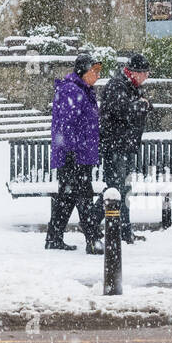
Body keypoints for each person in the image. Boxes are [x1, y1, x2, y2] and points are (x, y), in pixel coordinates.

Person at [46, 53, 105, 253]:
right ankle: (93, 240)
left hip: (79, 154)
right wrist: (72, 151)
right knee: (84, 197)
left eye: (98, 71)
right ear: (83, 72)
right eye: (94, 71)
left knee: (67, 198)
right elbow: (66, 125)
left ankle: (54, 238)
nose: (97, 75)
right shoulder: (72, 90)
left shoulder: (83, 90)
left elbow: (85, 124)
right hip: (74, 156)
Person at [98, 53, 153, 245]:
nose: (147, 76)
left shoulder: (131, 86)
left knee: (124, 189)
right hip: (115, 147)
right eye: (145, 73)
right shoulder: (117, 85)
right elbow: (123, 111)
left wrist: (142, 104)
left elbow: (146, 106)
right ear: (134, 72)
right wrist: (141, 105)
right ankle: (91, 222)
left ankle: (124, 231)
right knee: (115, 189)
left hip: (126, 146)